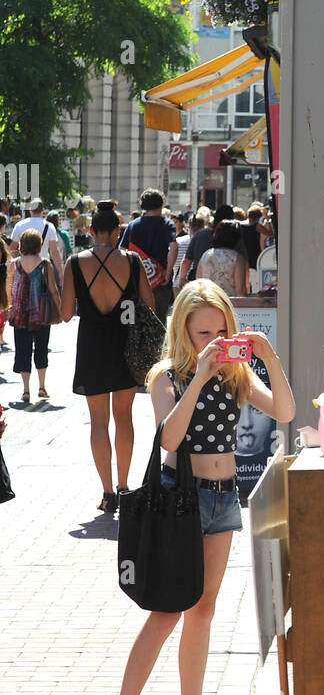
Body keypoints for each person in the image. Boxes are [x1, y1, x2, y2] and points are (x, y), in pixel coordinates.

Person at [100, 279, 295, 695]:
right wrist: (201, 378)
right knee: (167, 610)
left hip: (224, 501)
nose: (211, 340)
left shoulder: (237, 374)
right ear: (182, 330)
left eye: (220, 330)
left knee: (203, 611)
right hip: (180, 502)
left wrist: (267, 358)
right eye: (201, 331)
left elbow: (286, 411)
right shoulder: (165, 376)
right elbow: (169, 439)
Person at [61, 200, 157, 513]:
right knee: (124, 417)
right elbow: (150, 308)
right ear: (118, 231)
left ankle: (106, 493)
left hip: (92, 347)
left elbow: (64, 314)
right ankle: (124, 486)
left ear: (90, 231)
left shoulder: (75, 263)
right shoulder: (131, 261)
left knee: (98, 421)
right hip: (125, 344)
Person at [8, 227, 61, 403]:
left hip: (20, 314)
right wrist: (59, 310)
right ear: (39, 245)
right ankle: (42, 387)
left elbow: (9, 289)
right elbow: (53, 290)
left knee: (22, 350)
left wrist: (8, 307)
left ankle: (25, 390)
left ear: (22, 244)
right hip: (42, 314)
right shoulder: (45, 264)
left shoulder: (14, 264)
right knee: (41, 349)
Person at [119, 189, 177, 327]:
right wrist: (168, 273)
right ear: (161, 204)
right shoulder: (167, 224)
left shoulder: (133, 225)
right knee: (159, 320)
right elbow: (173, 247)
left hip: (137, 280)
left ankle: (138, 347)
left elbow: (122, 250)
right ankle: (157, 348)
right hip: (160, 281)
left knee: (137, 320)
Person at [178, 203, 235, 287]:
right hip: (228, 283)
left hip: (201, 282)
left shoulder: (200, 234)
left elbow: (187, 260)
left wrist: (182, 279)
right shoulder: (236, 236)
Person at [9, 199, 64, 280]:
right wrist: (60, 271)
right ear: (42, 210)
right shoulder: (49, 226)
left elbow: (12, 249)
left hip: (23, 269)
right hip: (43, 268)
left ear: (30, 210)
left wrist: (15, 268)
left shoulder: (19, 225)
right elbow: (54, 252)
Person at [196, 221, 249, 297]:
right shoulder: (237, 258)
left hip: (209, 302)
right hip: (228, 304)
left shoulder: (205, 256)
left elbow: (198, 285)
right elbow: (240, 290)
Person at [241, 203, 274, 293]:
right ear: (258, 217)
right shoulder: (256, 226)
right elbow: (270, 233)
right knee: (256, 281)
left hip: (243, 254)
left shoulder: (240, 225)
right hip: (255, 254)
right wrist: (267, 218)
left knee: (245, 280)